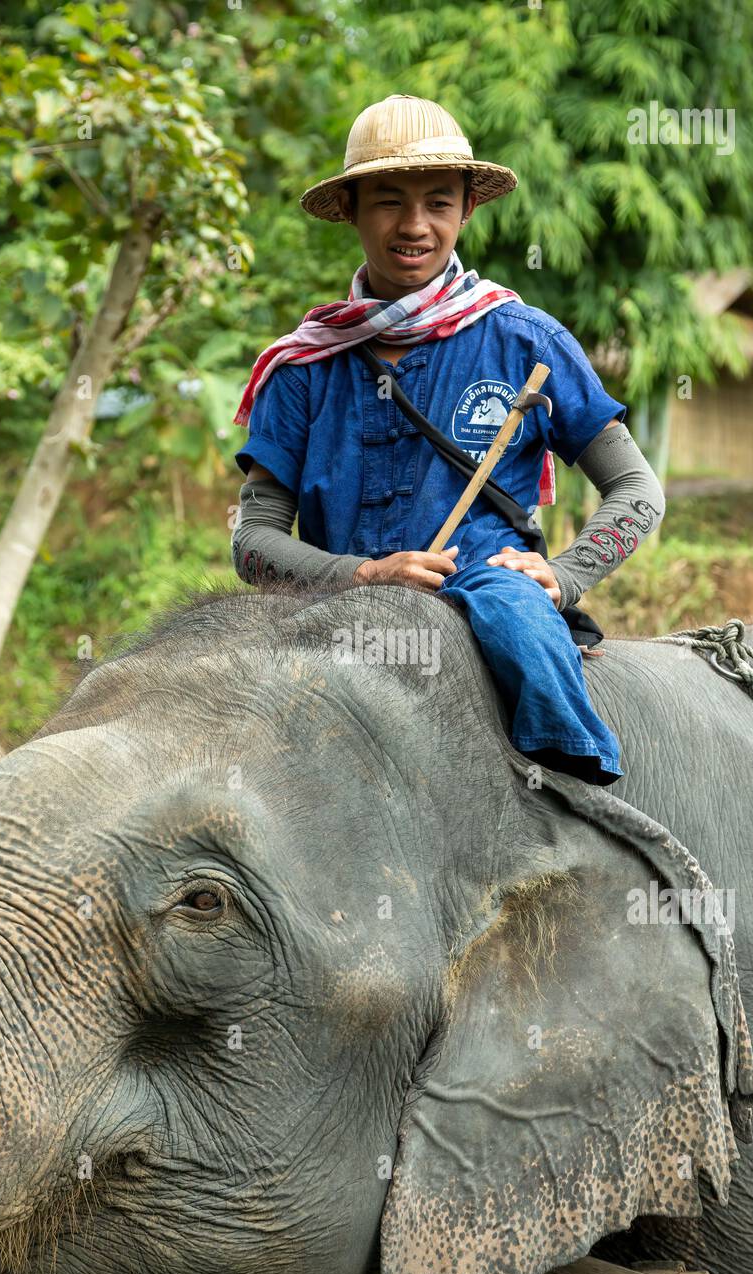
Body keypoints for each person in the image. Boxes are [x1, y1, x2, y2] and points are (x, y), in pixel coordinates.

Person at [231, 95, 666, 786]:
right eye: (388, 201)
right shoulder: (303, 366)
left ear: (467, 209)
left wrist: (567, 575)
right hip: (332, 611)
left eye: (438, 202)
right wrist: (364, 574)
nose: (414, 225)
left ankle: (579, 791)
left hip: (492, 588)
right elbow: (252, 544)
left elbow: (637, 490)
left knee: (518, 624)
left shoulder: (528, 340)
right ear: (349, 208)